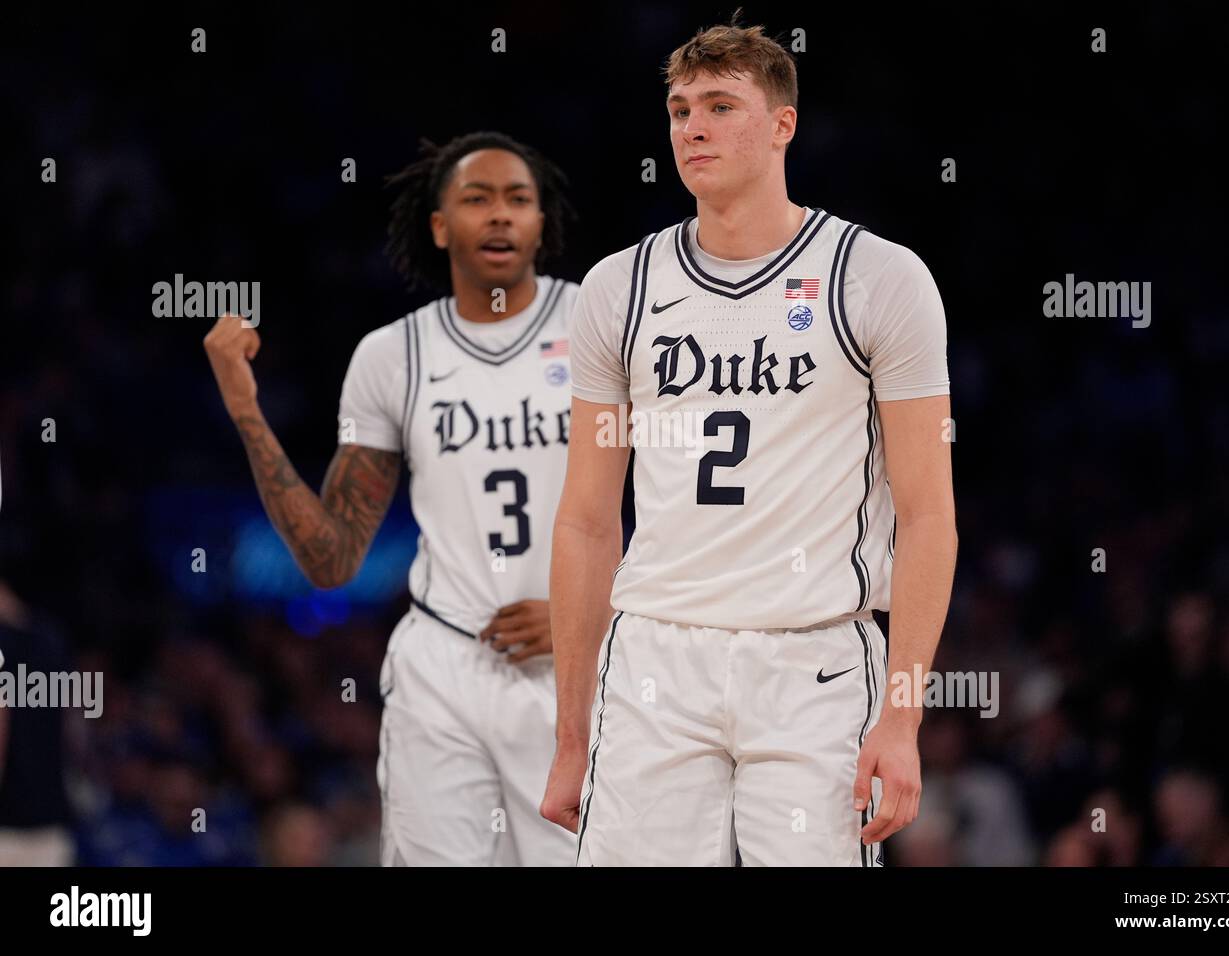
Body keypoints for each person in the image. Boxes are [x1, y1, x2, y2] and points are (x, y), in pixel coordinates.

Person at [541, 17, 957, 866]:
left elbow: (927, 516)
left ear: (782, 124)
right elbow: (586, 522)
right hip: (657, 649)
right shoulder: (618, 288)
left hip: (814, 659)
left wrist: (903, 718)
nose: (692, 127)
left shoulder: (877, 278)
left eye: (721, 105)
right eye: (680, 108)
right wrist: (571, 732)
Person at [204, 132, 579, 865]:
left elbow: (679, 500)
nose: (499, 217)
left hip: (573, 661)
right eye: (477, 199)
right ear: (440, 226)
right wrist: (247, 413)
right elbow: (333, 558)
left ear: (542, 222)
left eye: (518, 200)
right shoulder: (390, 355)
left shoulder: (599, 323)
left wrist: (592, 610)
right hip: (442, 661)